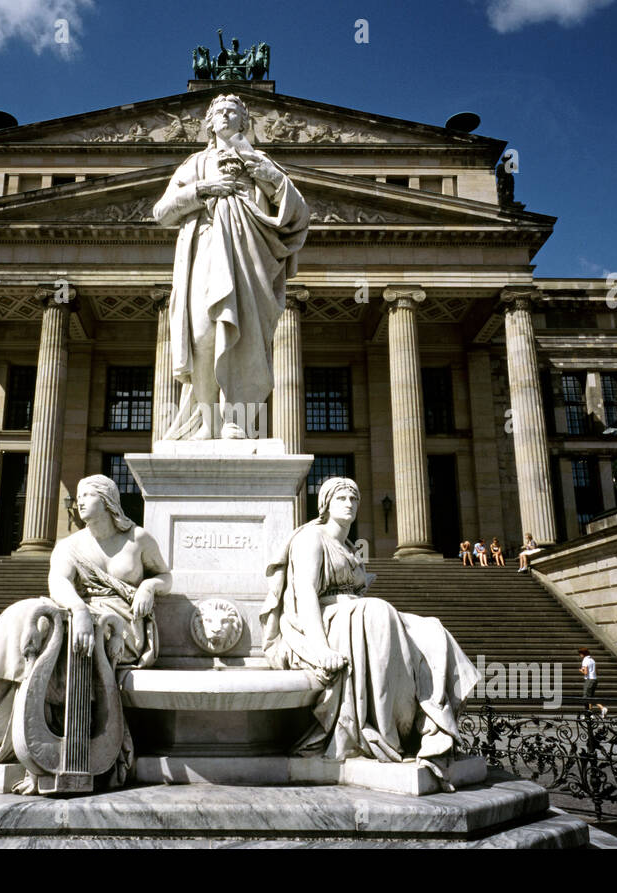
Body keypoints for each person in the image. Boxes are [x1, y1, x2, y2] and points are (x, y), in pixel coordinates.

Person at [0, 475, 172, 788]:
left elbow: (165, 576)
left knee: (58, 636)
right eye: (78, 495)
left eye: (87, 495)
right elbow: (59, 582)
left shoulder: (138, 539)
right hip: (79, 611)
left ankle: (34, 739)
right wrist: (79, 610)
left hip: (120, 625)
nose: (80, 501)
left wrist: (149, 586)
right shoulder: (70, 546)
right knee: (23, 615)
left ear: (107, 500)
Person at [261, 478, 479, 789]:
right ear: (325, 504)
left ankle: (427, 723)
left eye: (354, 498)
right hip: (324, 620)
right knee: (377, 610)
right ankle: (389, 730)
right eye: (341, 498)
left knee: (431, 629)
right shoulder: (311, 538)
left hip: (354, 615)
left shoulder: (349, 547)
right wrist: (321, 649)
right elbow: (306, 593)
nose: (349, 504)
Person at [153, 93, 309, 440]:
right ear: (209, 122)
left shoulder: (259, 160)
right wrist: (201, 190)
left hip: (250, 257)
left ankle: (234, 419)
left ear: (244, 122)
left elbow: (299, 213)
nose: (225, 116)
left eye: (232, 112)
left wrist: (270, 178)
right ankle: (209, 423)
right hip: (206, 251)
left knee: (243, 339)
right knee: (202, 336)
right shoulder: (195, 164)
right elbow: (161, 213)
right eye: (219, 112)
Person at [578, 647, 608, 717]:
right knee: (591, 697)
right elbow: (596, 671)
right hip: (594, 679)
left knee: (586, 698)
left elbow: (585, 672)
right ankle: (591, 714)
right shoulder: (592, 660)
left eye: (580, 654)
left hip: (589, 680)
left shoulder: (585, 660)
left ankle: (590, 713)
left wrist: (581, 671)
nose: (580, 655)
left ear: (582, 654)